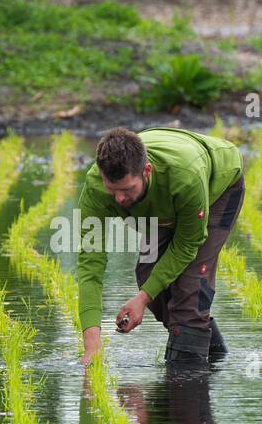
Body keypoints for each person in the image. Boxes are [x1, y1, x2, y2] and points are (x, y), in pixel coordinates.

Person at [76, 126, 245, 367]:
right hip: (161, 206)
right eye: (111, 190)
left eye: (127, 190)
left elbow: (187, 245)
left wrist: (142, 299)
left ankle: (186, 386)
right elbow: (90, 266)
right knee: (148, 274)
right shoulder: (95, 188)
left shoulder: (185, 178)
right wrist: (92, 347)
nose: (119, 199)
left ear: (146, 171)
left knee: (190, 290)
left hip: (218, 184)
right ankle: (213, 354)